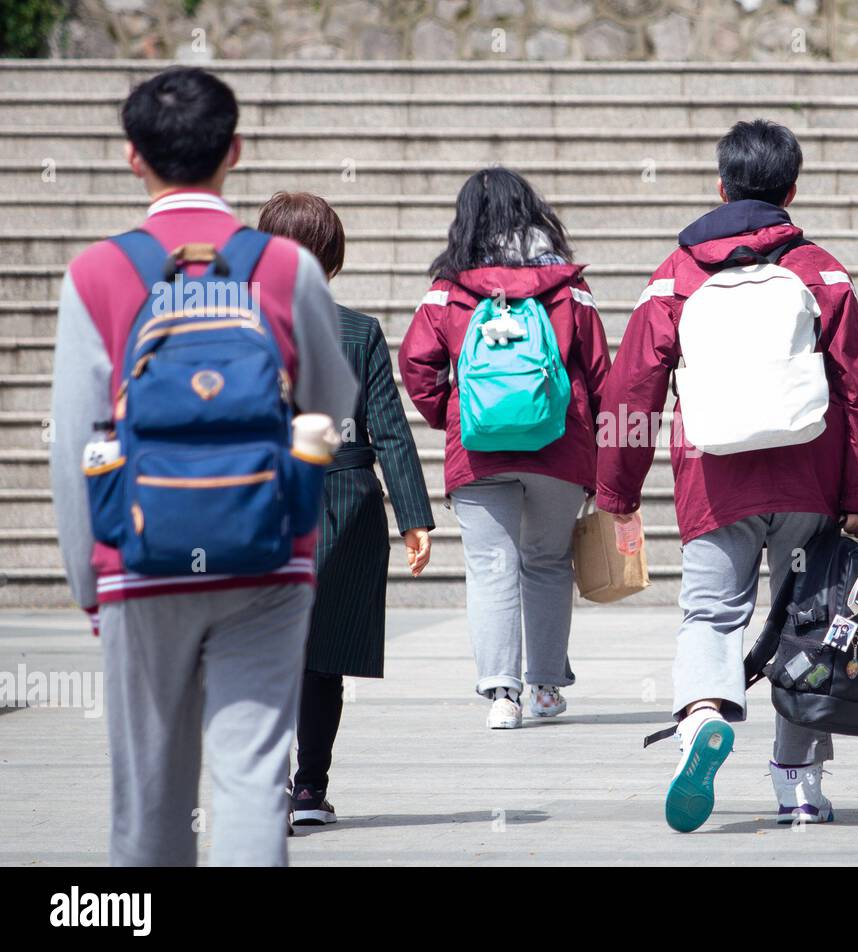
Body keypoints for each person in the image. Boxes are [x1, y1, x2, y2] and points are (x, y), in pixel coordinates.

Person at [50, 68, 356, 865]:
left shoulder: (98, 274)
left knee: (148, 795)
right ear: (234, 150)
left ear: (131, 157)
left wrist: (93, 584)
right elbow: (326, 406)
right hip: (265, 562)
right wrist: (289, 507)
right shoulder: (287, 270)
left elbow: (78, 441)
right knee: (254, 779)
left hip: (139, 563)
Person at [596, 119, 858, 832]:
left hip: (711, 478)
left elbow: (632, 389)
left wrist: (617, 494)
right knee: (809, 629)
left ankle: (701, 716)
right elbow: (855, 392)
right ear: (791, 188)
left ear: (720, 186)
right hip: (810, 478)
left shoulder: (675, 273)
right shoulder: (820, 270)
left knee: (711, 614)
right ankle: (799, 785)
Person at [399, 167, 611, 730]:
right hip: (559, 448)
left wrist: (456, 416)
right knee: (545, 563)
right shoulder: (568, 288)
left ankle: (501, 695)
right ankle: (544, 688)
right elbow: (602, 373)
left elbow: (417, 365)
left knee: (491, 567)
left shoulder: (448, 290)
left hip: (479, 451)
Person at [257, 192, 435, 827]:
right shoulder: (358, 331)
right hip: (346, 502)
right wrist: (414, 516)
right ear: (332, 259)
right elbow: (388, 430)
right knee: (325, 654)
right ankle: (309, 790)